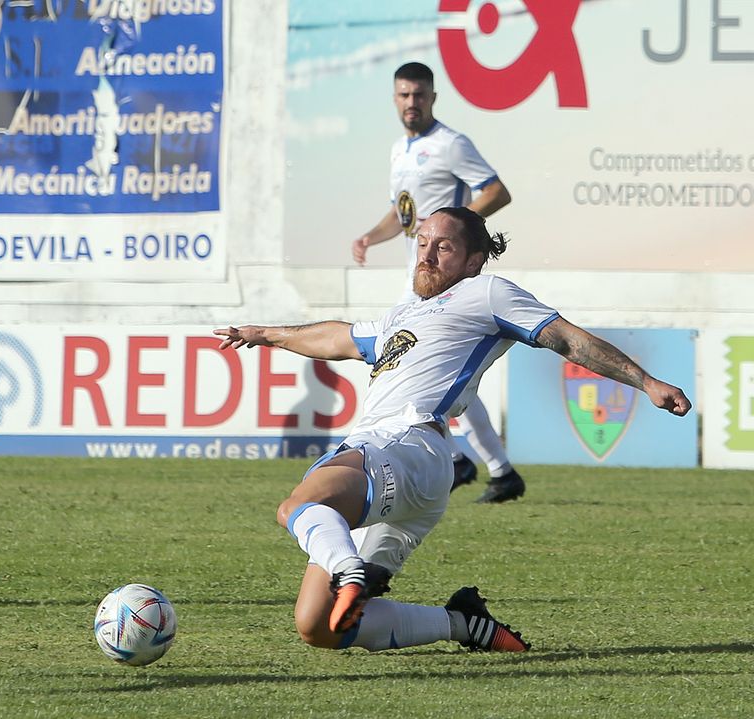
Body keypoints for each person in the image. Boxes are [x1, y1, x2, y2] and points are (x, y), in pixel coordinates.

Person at [216, 207, 691, 653]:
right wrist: (268, 335)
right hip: (419, 475)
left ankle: (349, 570)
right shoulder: (403, 314)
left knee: (301, 505)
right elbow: (338, 337)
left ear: (474, 260)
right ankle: (464, 623)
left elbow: (565, 338)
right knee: (319, 627)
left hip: (402, 444)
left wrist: (645, 381)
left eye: (442, 247)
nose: (425, 254)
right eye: (422, 242)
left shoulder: (486, 293)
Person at [350, 61, 523, 503]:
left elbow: (496, 191)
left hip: (443, 276)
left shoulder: (450, 144)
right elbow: (403, 213)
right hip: (418, 275)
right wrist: (372, 234)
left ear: (432, 98)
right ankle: (477, 464)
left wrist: (458, 231)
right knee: (437, 374)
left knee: (411, 362)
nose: (412, 102)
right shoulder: (399, 150)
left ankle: (481, 465)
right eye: (405, 95)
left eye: (420, 95)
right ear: (395, 99)